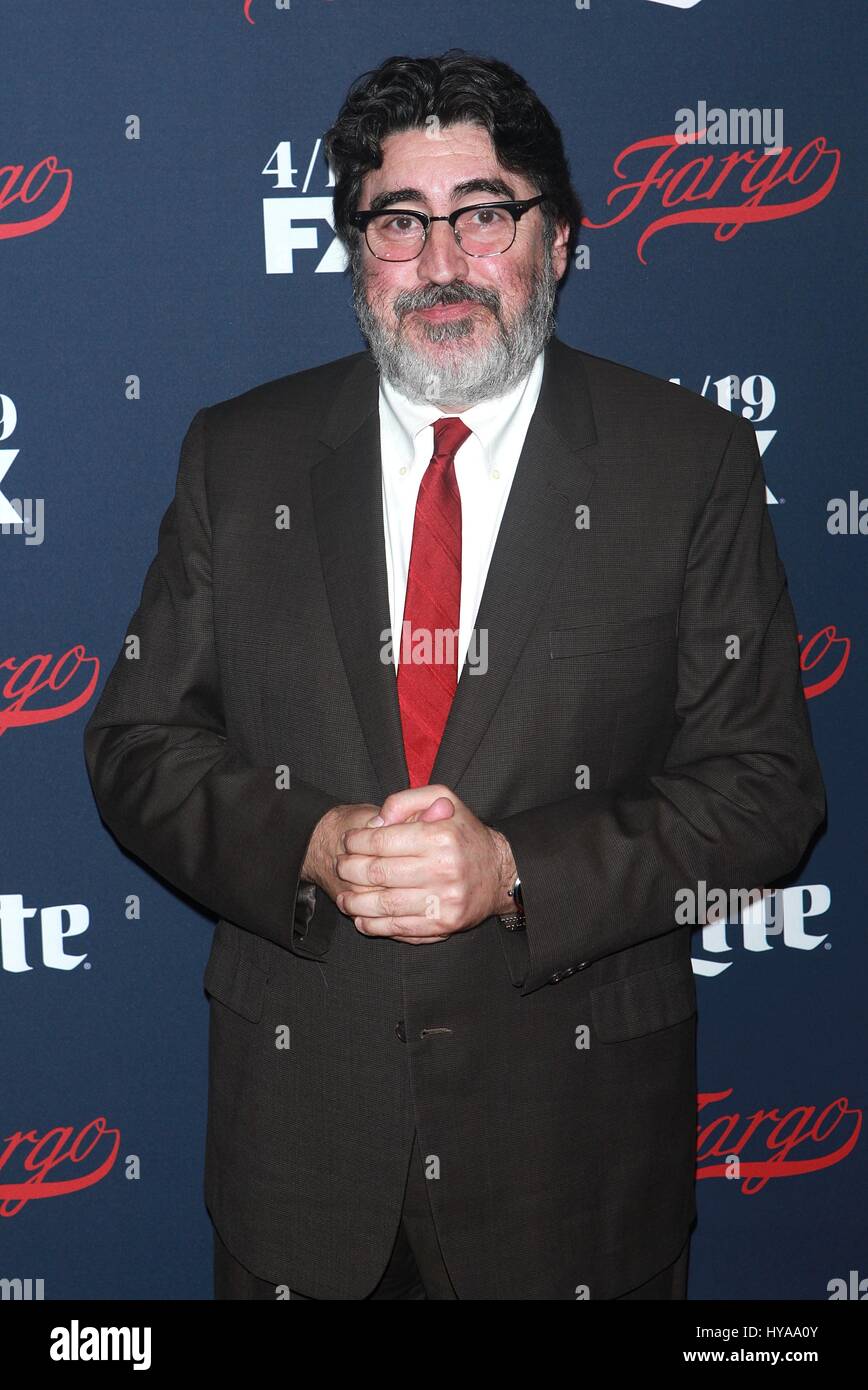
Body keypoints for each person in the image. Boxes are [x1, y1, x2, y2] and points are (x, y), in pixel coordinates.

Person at [83, 51, 826, 1300]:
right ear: (355, 252)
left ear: (562, 239)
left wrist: (515, 869)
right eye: (398, 222)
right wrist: (311, 842)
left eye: (484, 214)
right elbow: (135, 745)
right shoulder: (238, 455)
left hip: (575, 1167)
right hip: (302, 1163)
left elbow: (765, 790)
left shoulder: (685, 463)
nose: (440, 262)